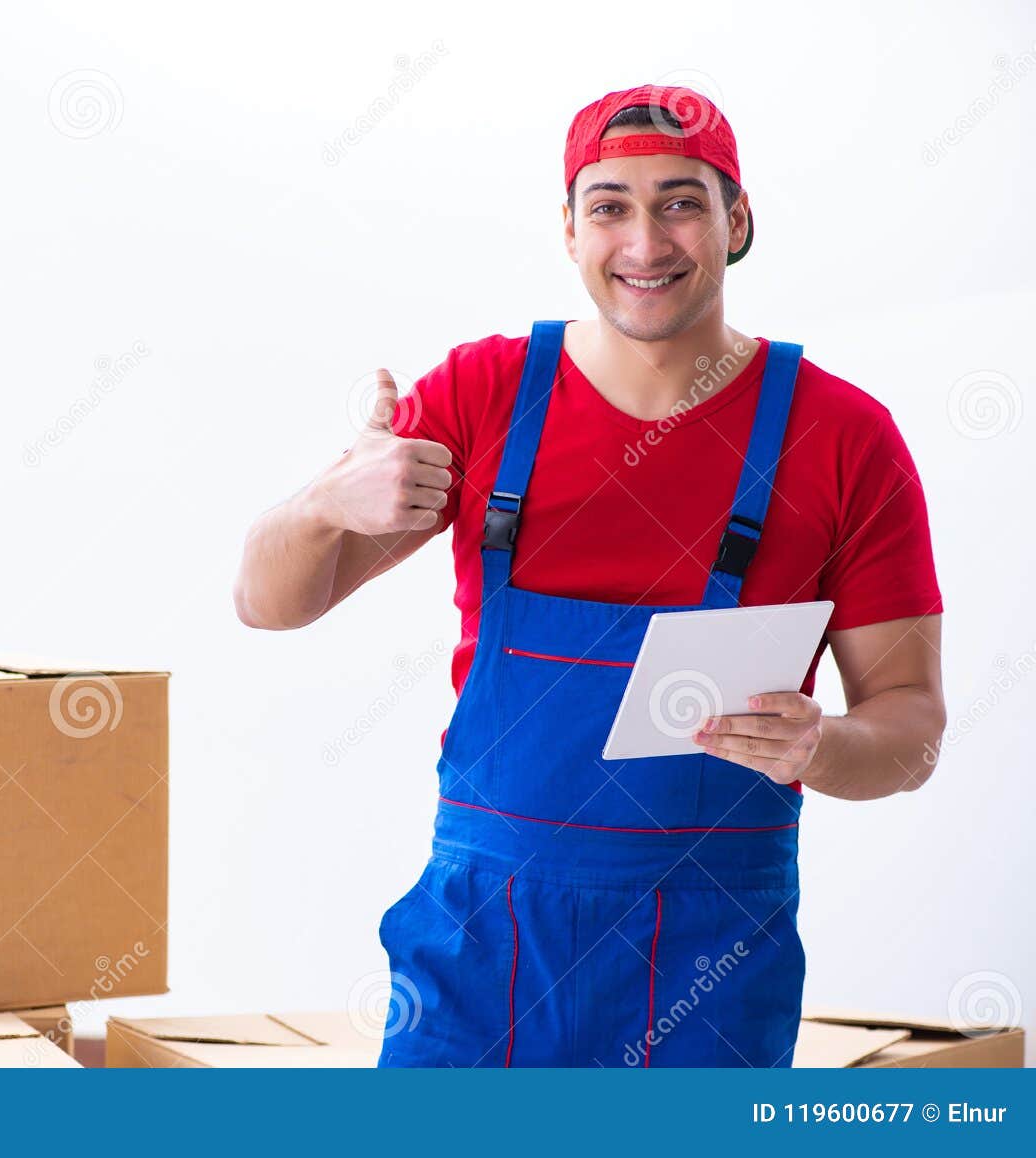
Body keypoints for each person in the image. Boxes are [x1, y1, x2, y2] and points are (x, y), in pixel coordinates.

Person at [232, 83, 946, 1067]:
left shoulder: (840, 439)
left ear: (736, 219)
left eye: (681, 202)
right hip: (476, 951)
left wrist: (820, 747)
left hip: (711, 965)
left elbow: (909, 730)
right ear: (568, 230)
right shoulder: (486, 396)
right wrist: (321, 506)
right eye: (610, 205)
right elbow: (265, 606)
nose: (644, 241)